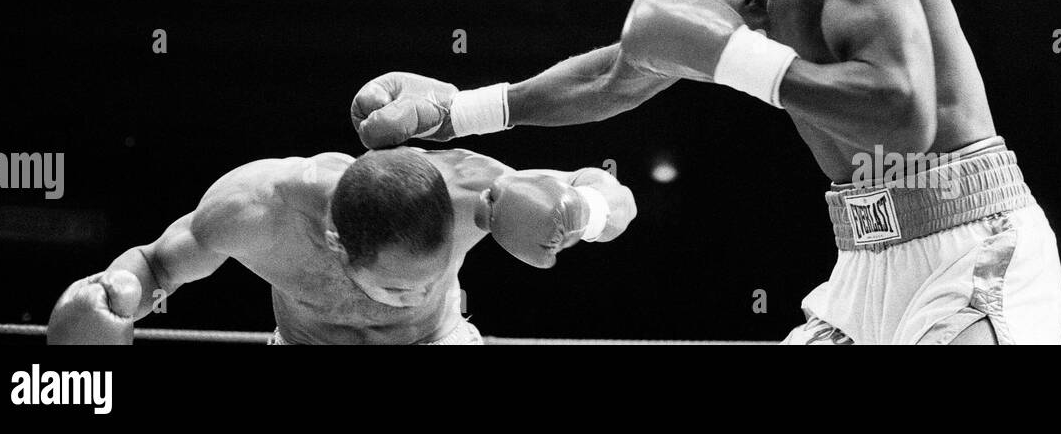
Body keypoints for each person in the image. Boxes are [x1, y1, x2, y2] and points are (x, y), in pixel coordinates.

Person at [352, 0, 1061, 345]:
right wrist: (453, 113)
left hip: (970, 250)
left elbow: (904, 113)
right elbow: (612, 75)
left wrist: (733, 57)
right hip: (866, 263)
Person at [48, 141, 635, 344]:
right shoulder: (254, 210)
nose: (413, 295)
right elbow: (157, 264)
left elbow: (621, 206)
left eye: (431, 277)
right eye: (399, 287)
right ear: (335, 241)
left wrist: (584, 207)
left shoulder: (479, 192)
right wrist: (123, 290)